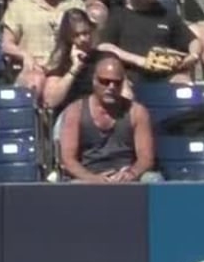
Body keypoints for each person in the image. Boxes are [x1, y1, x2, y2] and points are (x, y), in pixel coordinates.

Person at [57, 54, 162, 182]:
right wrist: (92, 178)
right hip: (87, 176)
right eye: (105, 82)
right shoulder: (75, 111)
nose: (111, 87)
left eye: (116, 83)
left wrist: (131, 174)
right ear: (94, 80)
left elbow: (146, 158)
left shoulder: (137, 112)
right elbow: (68, 160)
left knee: (153, 179)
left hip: (126, 175)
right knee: (74, 186)